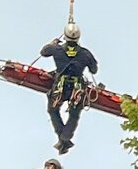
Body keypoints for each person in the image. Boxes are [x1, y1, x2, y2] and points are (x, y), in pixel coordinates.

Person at [39, 20, 99, 154]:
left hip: (60, 86)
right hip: (76, 89)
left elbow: (43, 52)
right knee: (74, 114)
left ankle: (63, 138)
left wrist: (53, 43)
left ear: (65, 36)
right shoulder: (85, 53)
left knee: (53, 110)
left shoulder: (56, 49)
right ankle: (65, 137)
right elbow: (94, 70)